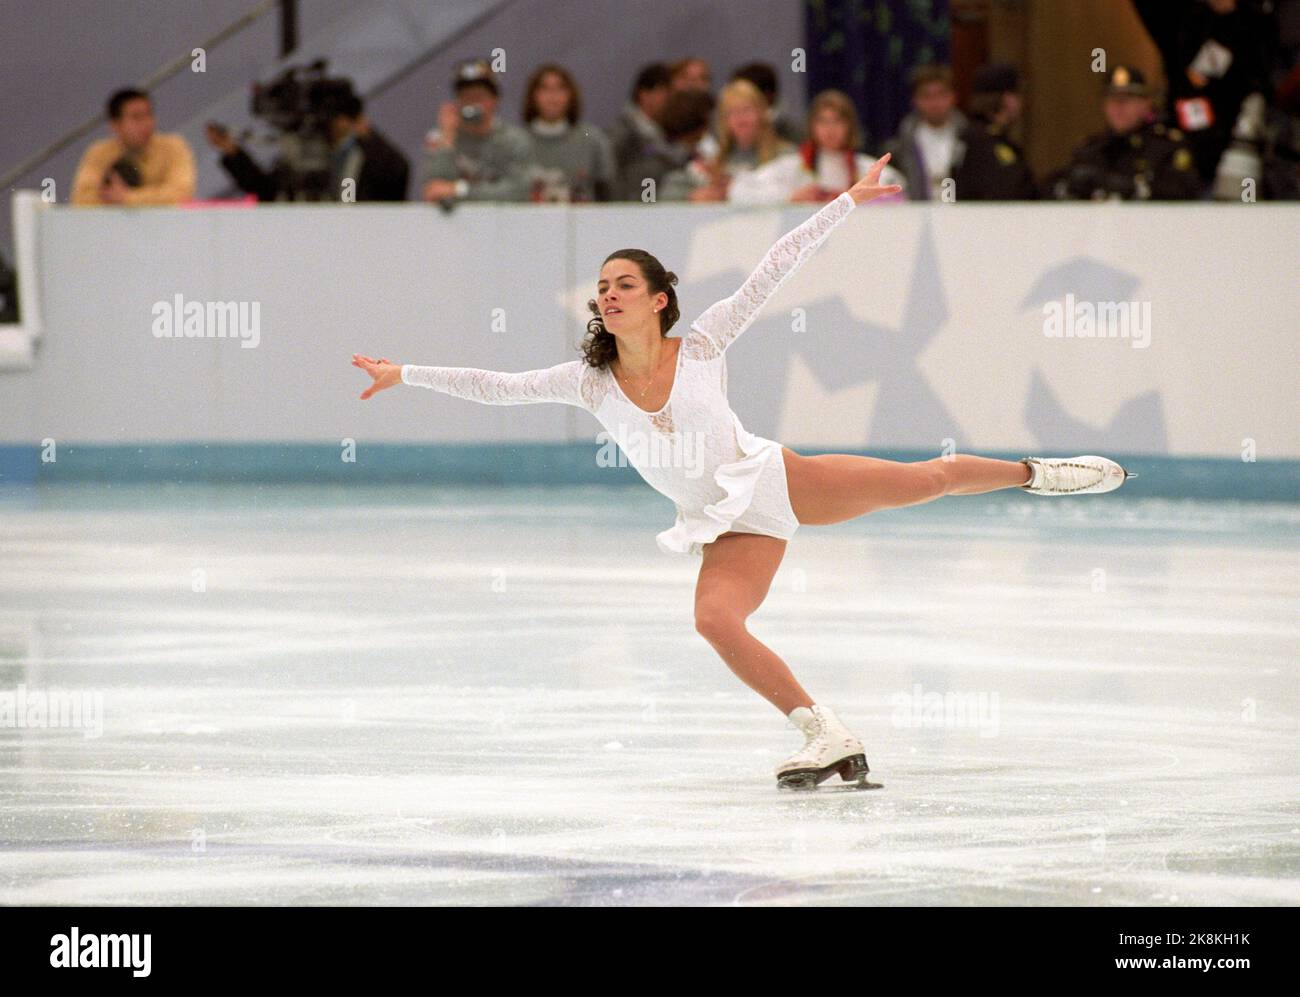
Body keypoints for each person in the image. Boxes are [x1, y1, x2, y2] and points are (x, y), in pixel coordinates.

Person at [350, 154, 1135, 790]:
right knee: (714, 619)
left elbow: (775, 266)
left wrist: (849, 200)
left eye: (624, 284)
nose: (608, 295)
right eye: (602, 289)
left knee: (923, 480)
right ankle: (823, 731)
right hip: (723, 527)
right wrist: (405, 372)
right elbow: (497, 386)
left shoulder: (704, 344)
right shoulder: (588, 381)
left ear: (660, 300)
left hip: (772, 483)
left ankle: (1039, 472)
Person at [206, 92, 409, 201]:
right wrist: (233, 153)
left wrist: (366, 133)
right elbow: (269, 191)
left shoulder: (364, 155)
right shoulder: (305, 151)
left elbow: (397, 175)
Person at [728, 89, 905, 203]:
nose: (830, 129)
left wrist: (856, 201)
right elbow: (738, 191)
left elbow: (899, 194)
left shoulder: (867, 169)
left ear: (850, 126)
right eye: (823, 121)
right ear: (812, 126)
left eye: (837, 121)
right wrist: (791, 197)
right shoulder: (792, 167)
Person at [1052, 66, 1202, 200]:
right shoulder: (1091, 149)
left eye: (1127, 99)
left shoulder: (1166, 147)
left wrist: (1131, 189)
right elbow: (1050, 188)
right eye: (1113, 99)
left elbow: (1184, 192)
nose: (1119, 107)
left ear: (1146, 103)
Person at [660, 78, 794, 202]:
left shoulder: (786, 155)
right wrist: (693, 195)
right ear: (724, 121)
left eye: (747, 110)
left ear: (762, 113)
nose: (741, 120)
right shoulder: (713, 160)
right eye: (733, 113)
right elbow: (668, 190)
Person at [419, 58, 533, 204]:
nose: (472, 103)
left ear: (494, 101)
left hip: (501, 222)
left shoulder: (514, 140)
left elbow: (519, 191)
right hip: (452, 224)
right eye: (466, 97)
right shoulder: (440, 136)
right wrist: (447, 139)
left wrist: (460, 190)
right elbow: (433, 190)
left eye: (479, 97)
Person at [71, 88, 196, 206]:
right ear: (115, 125)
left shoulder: (173, 147)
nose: (147, 123)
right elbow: (81, 200)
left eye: (149, 115)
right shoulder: (99, 153)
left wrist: (128, 198)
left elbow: (182, 194)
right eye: (136, 117)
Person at [521, 63, 615, 202]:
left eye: (560, 88)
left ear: (571, 95)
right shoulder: (516, 142)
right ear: (532, 96)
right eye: (544, 88)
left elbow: (609, 194)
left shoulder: (592, 140)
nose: (552, 96)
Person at [952, 63, 1039, 200]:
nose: (1020, 103)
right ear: (1006, 99)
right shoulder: (984, 143)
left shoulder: (970, 136)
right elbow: (1009, 194)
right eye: (1017, 94)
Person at [884, 65, 968, 200]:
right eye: (926, 96)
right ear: (914, 100)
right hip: (916, 213)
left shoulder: (969, 138)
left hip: (962, 212)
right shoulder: (901, 146)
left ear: (953, 97)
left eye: (941, 94)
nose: (935, 103)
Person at [607, 63, 673, 201]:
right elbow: (610, 172)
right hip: (628, 208)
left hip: (654, 204)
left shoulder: (663, 130)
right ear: (644, 94)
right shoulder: (623, 130)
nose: (669, 99)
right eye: (664, 92)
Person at [732, 62, 806, 146]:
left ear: (768, 95)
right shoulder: (727, 137)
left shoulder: (790, 135)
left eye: (747, 108)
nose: (741, 119)